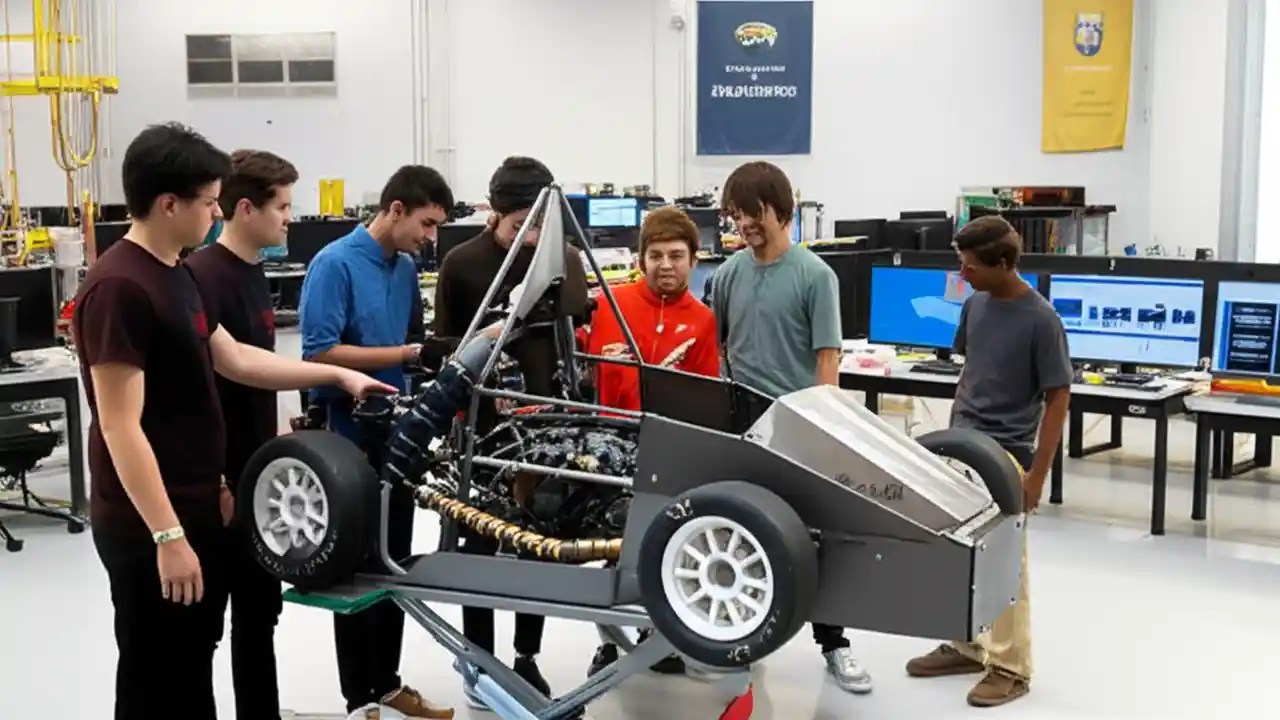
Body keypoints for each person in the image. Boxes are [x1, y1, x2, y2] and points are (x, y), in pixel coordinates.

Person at [73, 122, 395, 720]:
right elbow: (120, 426)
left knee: (191, 662)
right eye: (208, 201)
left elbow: (237, 359)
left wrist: (338, 374)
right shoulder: (120, 288)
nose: (218, 212)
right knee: (155, 678)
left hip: (195, 508)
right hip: (149, 525)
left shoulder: (174, 272)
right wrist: (168, 537)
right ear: (168, 204)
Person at [430, 156, 588, 709]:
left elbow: (578, 333)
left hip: (546, 427)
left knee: (537, 544)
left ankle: (525, 655)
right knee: (478, 545)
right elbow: (443, 348)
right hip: (483, 430)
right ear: (494, 213)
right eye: (522, 223)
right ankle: (479, 661)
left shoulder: (563, 258)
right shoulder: (462, 264)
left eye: (541, 224)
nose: (532, 236)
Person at [299, 164, 456, 719]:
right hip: (348, 436)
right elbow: (318, 353)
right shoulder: (334, 264)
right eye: (427, 224)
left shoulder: (405, 268)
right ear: (395, 210)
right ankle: (359, 698)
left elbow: (411, 340)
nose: (431, 237)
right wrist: (409, 354)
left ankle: (387, 685)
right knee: (356, 568)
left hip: (398, 434)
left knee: (394, 563)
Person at [709, 160, 872, 695]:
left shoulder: (815, 275)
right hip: (740, 420)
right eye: (736, 215)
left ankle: (835, 643)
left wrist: (823, 425)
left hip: (799, 423)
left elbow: (828, 358)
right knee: (741, 534)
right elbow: (719, 348)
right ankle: (742, 639)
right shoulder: (728, 274)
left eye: (753, 213)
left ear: (783, 210)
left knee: (815, 536)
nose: (744, 225)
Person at [903, 215, 1071, 708]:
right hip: (962, 448)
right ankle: (967, 645)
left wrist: (1037, 476)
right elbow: (973, 369)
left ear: (1003, 263)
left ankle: (1011, 667)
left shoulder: (1042, 320)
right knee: (956, 551)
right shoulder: (975, 304)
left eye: (970, 266)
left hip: (1005, 455)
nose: (963, 274)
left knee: (1004, 561)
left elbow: (1058, 399)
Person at [183, 148, 298, 720]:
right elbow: (201, 391)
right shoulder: (202, 277)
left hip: (258, 480)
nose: (289, 219)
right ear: (246, 209)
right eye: (282, 207)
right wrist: (221, 479)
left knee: (259, 618)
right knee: (204, 629)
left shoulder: (254, 273)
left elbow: (261, 374)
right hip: (220, 485)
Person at [583, 204, 721, 676]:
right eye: (656, 255)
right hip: (610, 445)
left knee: (661, 548)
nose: (666, 265)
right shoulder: (608, 304)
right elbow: (581, 369)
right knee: (610, 549)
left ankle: (654, 638)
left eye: (676, 256)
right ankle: (607, 639)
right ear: (641, 258)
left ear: (694, 260)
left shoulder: (702, 320)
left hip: (668, 451)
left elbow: (704, 395)